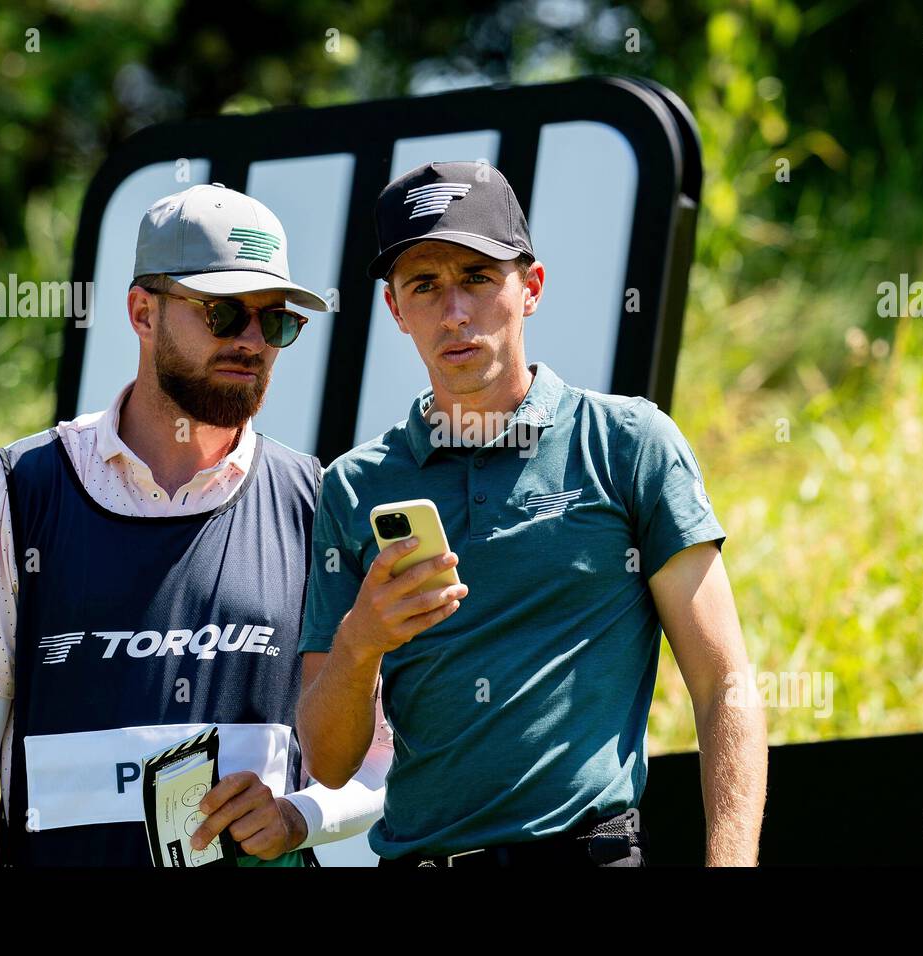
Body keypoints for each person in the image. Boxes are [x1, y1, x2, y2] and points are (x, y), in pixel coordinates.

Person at [296, 161, 767, 867]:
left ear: (531, 288)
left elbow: (723, 683)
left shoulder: (630, 444)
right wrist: (363, 639)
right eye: (424, 286)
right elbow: (329, 764)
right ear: (396, 310)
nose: (453, 312)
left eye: (477, 278)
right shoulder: (352, 487)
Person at [0, 183, 391, 866]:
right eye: (223, 314)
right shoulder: (19, 487)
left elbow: (376, 766)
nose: (252, 342)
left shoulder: (316, 500)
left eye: (274, 320)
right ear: (142, 311)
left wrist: (298, 816)